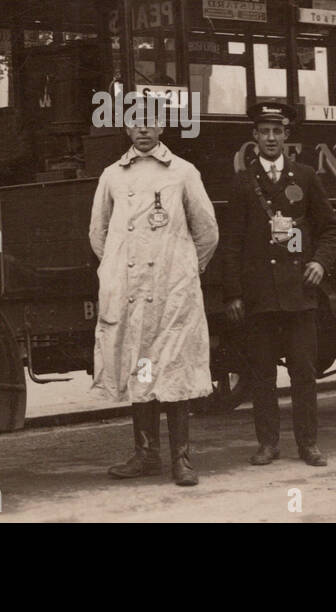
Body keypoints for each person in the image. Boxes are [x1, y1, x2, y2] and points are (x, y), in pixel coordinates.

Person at [89, 104, 219, 486]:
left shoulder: (182, 172)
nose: (143, 129)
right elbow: (99, 234)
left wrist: (184, 270)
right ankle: (146, 454)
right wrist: (119, 268)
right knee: (141, 368)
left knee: (174, 369)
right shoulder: (112, 176)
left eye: (150, 122)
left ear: (161, 126)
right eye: (135, 122)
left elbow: (207, 230)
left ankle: (182, 459)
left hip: (173, 292)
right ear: (126, 128)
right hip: (132, 293)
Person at [222, 101, 336, 467]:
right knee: (263, 375)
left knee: (304, 372)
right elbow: (232, 243)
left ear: (286, 135)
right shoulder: (243, 183)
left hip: (299, 295)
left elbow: (331, 230)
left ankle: (308, 444)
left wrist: (320, 262)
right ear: (254, 137)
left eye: (277, 131)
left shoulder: (304, 176)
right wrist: (234, 294)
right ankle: (268, 444)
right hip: (260, 297)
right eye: (264, 131)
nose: (271, 138)